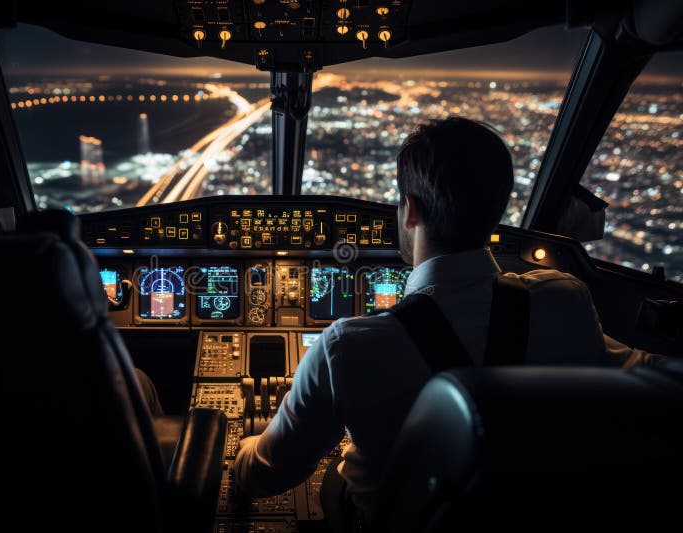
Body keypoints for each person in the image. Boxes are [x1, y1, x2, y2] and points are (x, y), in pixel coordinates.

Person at [233, 117, 658, 529]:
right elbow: (649, 378)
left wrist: (239, 451)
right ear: (497, 210)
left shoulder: (347, 346)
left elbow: (268, 474)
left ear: (411, 210)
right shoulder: (564, 301)